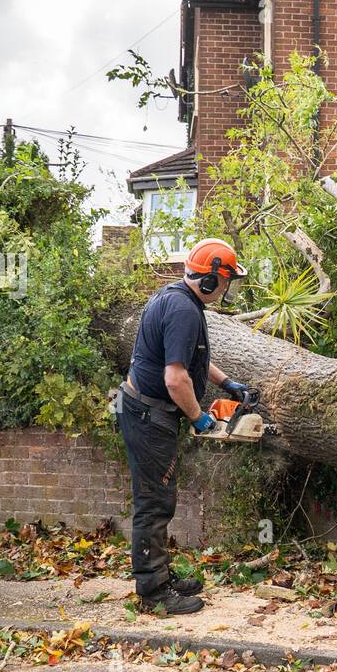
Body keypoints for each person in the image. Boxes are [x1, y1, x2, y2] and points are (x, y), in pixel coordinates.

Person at [117, 238, 252, 614]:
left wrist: (226, 384)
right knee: (154, 502)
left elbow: (190, 360)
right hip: (149, 413)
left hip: (145, 410)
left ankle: (159, 574)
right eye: (224, 281)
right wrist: (199, 417)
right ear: (209, 280)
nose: (226, 288)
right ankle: (153, 592)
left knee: (160, 499)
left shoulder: (176, 298)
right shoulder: (184, 311)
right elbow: (175, 378)